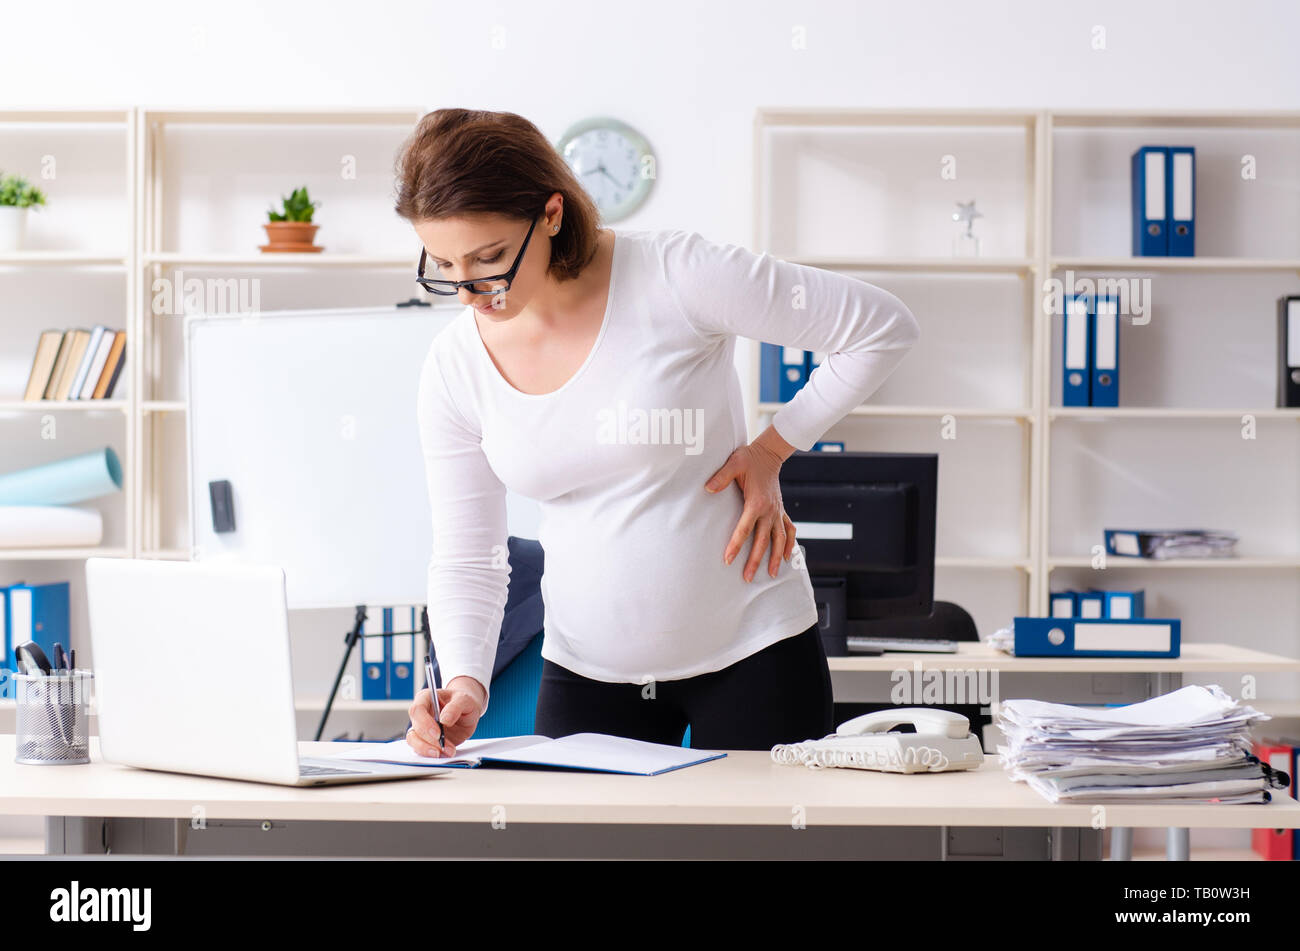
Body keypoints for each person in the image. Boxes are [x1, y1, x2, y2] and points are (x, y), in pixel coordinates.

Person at [396, 108, 920, 755]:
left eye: (490, 257)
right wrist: (467, 681)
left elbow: (881, 328)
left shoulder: (676, 274)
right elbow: (469, 554)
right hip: (585, 670)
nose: (470, 291)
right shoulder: (455, 365)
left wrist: (772, 447)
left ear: (551, 214)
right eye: (445, 265)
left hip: (753, 650)